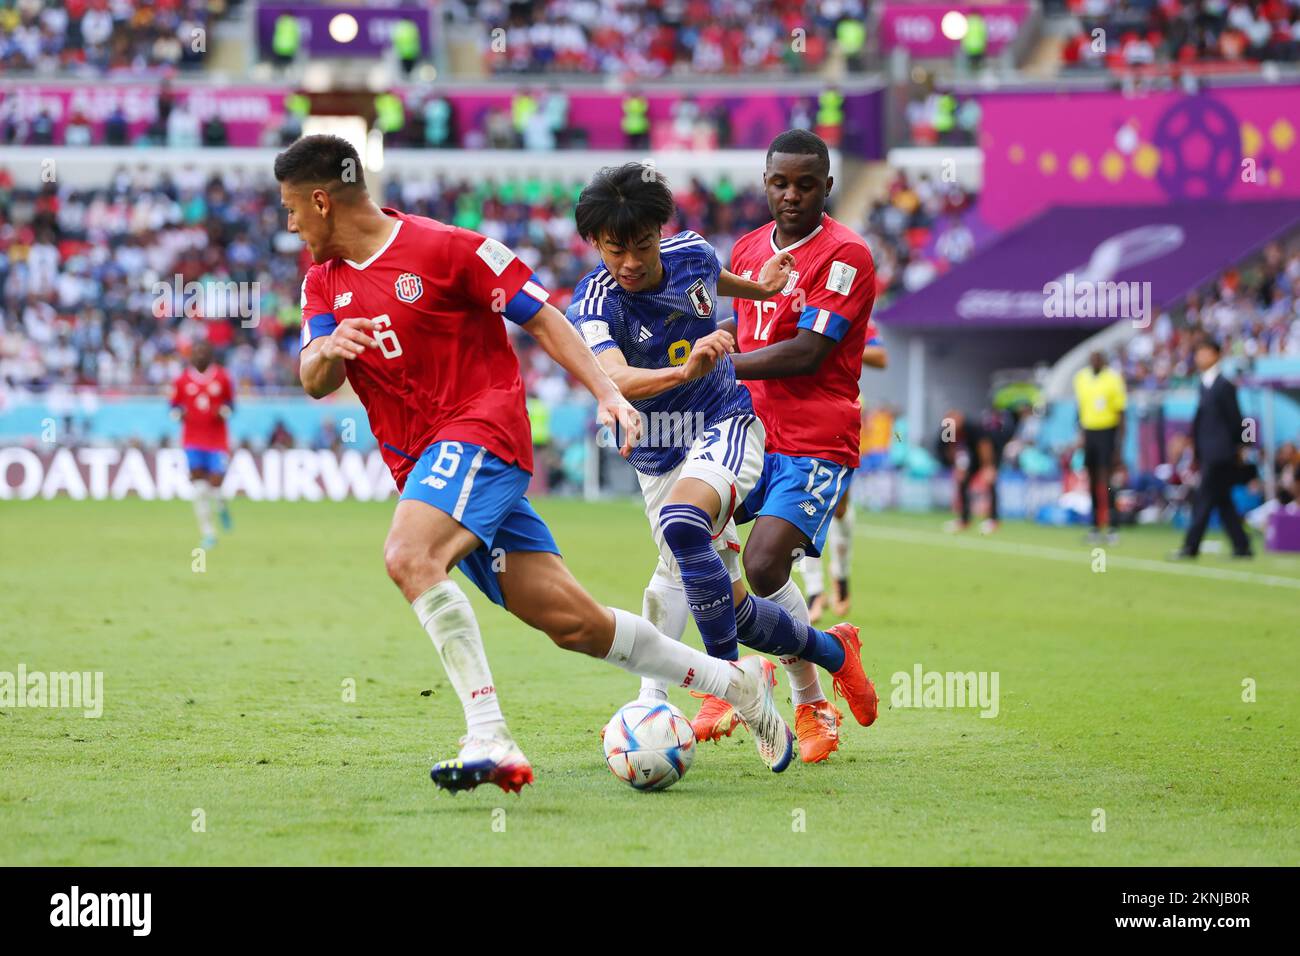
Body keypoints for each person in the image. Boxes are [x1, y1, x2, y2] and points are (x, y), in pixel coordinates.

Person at [278, 135, 793, 793]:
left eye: (293, 209)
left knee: (409, 556)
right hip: (423, 465)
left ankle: (487, 734)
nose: (290, 224)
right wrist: (329, 351)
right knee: (576, 624)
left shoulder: (447, 248)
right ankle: (736, 684)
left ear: (321, 201)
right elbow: (313, 376)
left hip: (478, 434)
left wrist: (608, 390)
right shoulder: (323, 282)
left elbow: (544, 316)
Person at [565, 164, 876, 762]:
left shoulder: (693, 252)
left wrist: (760, 289)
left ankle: (735, 690)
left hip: (724, 424)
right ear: (595, 244)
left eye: (641, 245)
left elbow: (712, 279)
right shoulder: (594, 300)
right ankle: (833, 655)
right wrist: (681, 372)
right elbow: (614, 376)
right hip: (659, 452)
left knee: (687, 532)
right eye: (613, 249)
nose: (629, 261)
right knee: (729, 598)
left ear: (661, 231)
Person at [721, 129, 882, 764]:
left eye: (806, 184)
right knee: (693, 538)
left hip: (815, 438)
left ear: (827, 187)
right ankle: (749, 672)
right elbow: (740, 330)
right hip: (751, 431)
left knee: (762, 569)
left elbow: (809, 353)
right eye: (780, 183)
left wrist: (720, 369)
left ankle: (808, 698)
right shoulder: (747, 247)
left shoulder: (847, 256)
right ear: (765, 182)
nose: (791, 195)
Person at [802, 334, 888, 620]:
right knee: (801, 501)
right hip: (795, 406)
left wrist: (835, 343)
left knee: (839, 506)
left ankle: (840, 574)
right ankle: (814, 591)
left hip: (840, 407)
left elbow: (881, 357)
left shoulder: (843, 306)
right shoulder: (784, 300)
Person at [1170, 339, 1254, 560]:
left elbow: (1237, 419)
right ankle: (1242, 546)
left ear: (1216, 354)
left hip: (1221, 453)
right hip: (1208, 452)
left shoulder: (1224, 385)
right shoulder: (1204, 384)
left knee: (1203, 499)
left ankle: (1191, 546)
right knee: (1223, 501)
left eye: (1203, 353)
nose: (1199, 357)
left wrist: (1242, 446)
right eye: (1197, 353)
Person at [170, 340, 234, 549]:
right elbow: (173, 408)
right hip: (192, 440)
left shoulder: (222, 377)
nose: (199, 356)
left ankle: (222, 506)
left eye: (203, 352)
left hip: (217, 441)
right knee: (199, 487)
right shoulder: (181, 381)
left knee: (216, 484)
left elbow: (231, 405)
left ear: (210, 355)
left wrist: (222, 411)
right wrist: (179, 414)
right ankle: (208, 533)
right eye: (196, 352)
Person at [1073, 350, 1127, 544]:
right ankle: (1095, 525)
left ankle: (1113, 525)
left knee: (1109, 480)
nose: (1095, 361)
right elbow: (1080, 408)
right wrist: (1080, 434)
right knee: (1093, 478)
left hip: (1107, 430)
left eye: (1098, 359)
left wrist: (1119, 444)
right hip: (1089, 432)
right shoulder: (1081, 378)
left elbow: (1121, 412)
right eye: (1092, 359)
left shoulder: (1113, 379)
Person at [936, 409, 999, 533]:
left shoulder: (973, 427)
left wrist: (988, 467)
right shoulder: (948, 429)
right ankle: (965, 520)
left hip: (988, 455)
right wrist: (958, 467)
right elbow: (950, 447)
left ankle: (993, 520)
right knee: (963, 483)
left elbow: (985, 446)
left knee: (990, 484)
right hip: (970, 457)